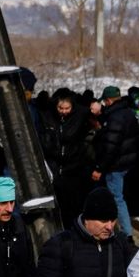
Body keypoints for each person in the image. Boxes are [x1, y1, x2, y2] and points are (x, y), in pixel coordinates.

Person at [91, 85, 139, 236]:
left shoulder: (115, 118)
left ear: (109, 100)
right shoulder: (127, 113)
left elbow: (111, 146)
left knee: (117, 198)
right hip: (127, 161)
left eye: (105, 102)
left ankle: (127, 234)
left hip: (115, 164)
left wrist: (99, 168)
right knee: (117, 196)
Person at [39, 90, 91, 223]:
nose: (63, 111)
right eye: (60, 108)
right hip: (54, 167)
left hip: (73, 167)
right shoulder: (48, 116)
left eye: (67, 108)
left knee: (73, 205)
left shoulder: (80, 115)